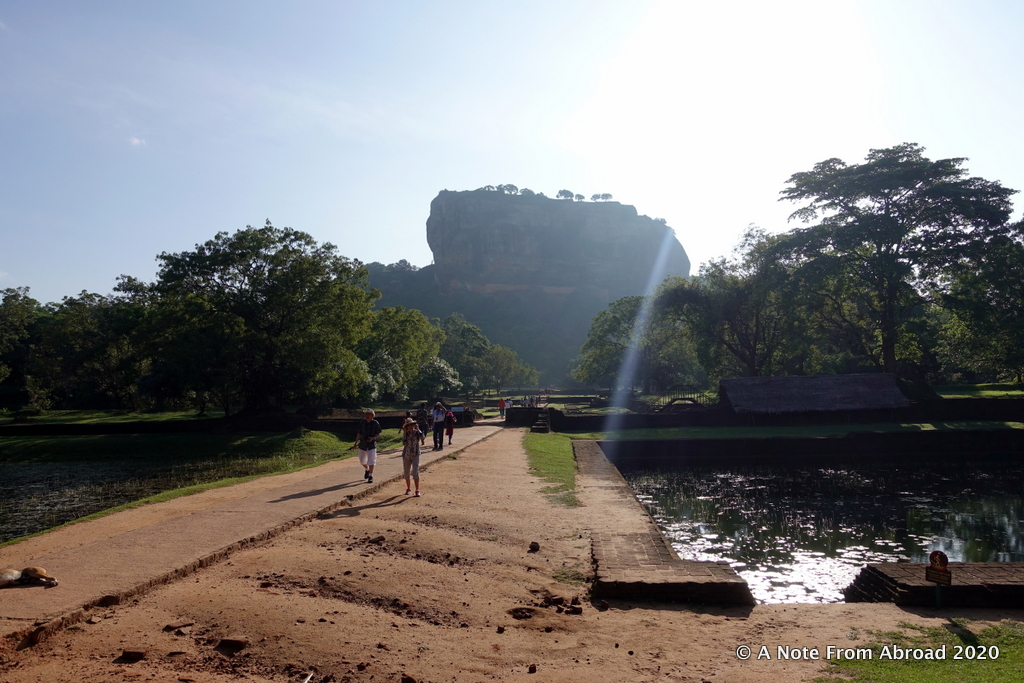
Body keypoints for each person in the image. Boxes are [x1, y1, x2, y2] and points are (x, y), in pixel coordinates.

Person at [354, 408, 382, 483]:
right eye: (366, 414)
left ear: (372, 415)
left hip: (371, 445)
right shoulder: (362, 423)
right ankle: (367, 469)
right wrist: (355, 443)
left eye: (368, 414)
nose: (367, 415)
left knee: (371, 460)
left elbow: (378, 433)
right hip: (363, 444)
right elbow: (359, 433)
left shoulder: (375, 423)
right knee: (362, 461)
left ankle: (371, 475)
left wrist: (373, 438)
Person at [401, 417, 424, 496]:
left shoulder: (417, 432)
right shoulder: (406, 434)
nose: (410, 426)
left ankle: (417, 490)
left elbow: (422, 437)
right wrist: (404, 433)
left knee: (415, 472)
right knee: (406, 473)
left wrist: (418, 429)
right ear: (406, 427)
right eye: (408, 425)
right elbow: (404, 443)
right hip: (407, 455)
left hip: (415, 454)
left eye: (411, 424)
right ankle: (408, 488)